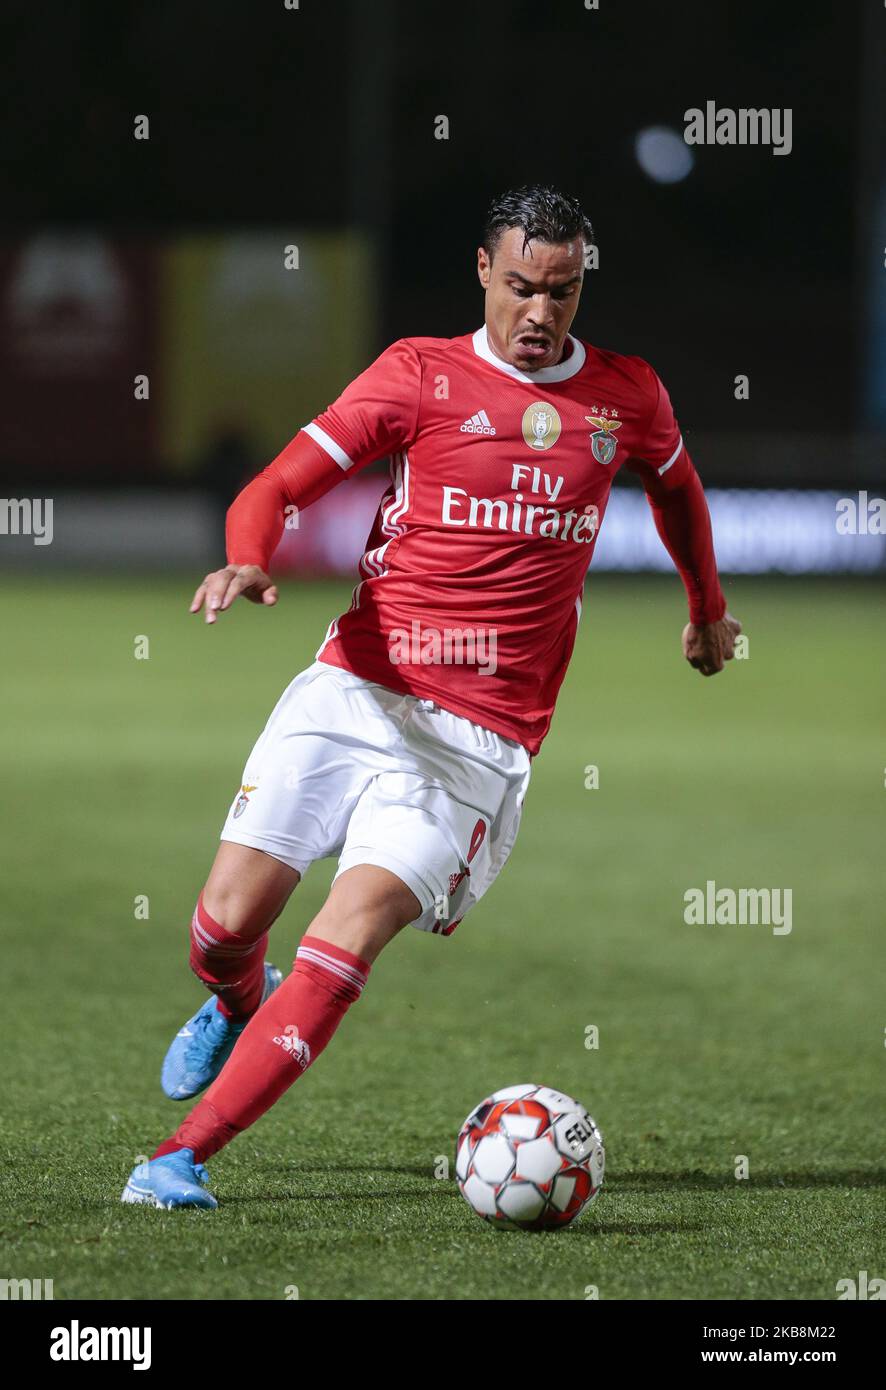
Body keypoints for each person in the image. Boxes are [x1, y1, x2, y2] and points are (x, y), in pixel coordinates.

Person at [122, 184, 740, 1210]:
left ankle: (180, 1156)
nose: (540, 313)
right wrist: (243, 558)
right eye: (520, 288)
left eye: (564, 291)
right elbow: (273, 486)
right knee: (225, 923)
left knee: (352, 922)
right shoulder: (419, 374)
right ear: (482, 274)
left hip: (478, 745)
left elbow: (676, 487)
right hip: (355, 688)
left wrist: (706, 608)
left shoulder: (627, 397)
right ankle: (236, 995)